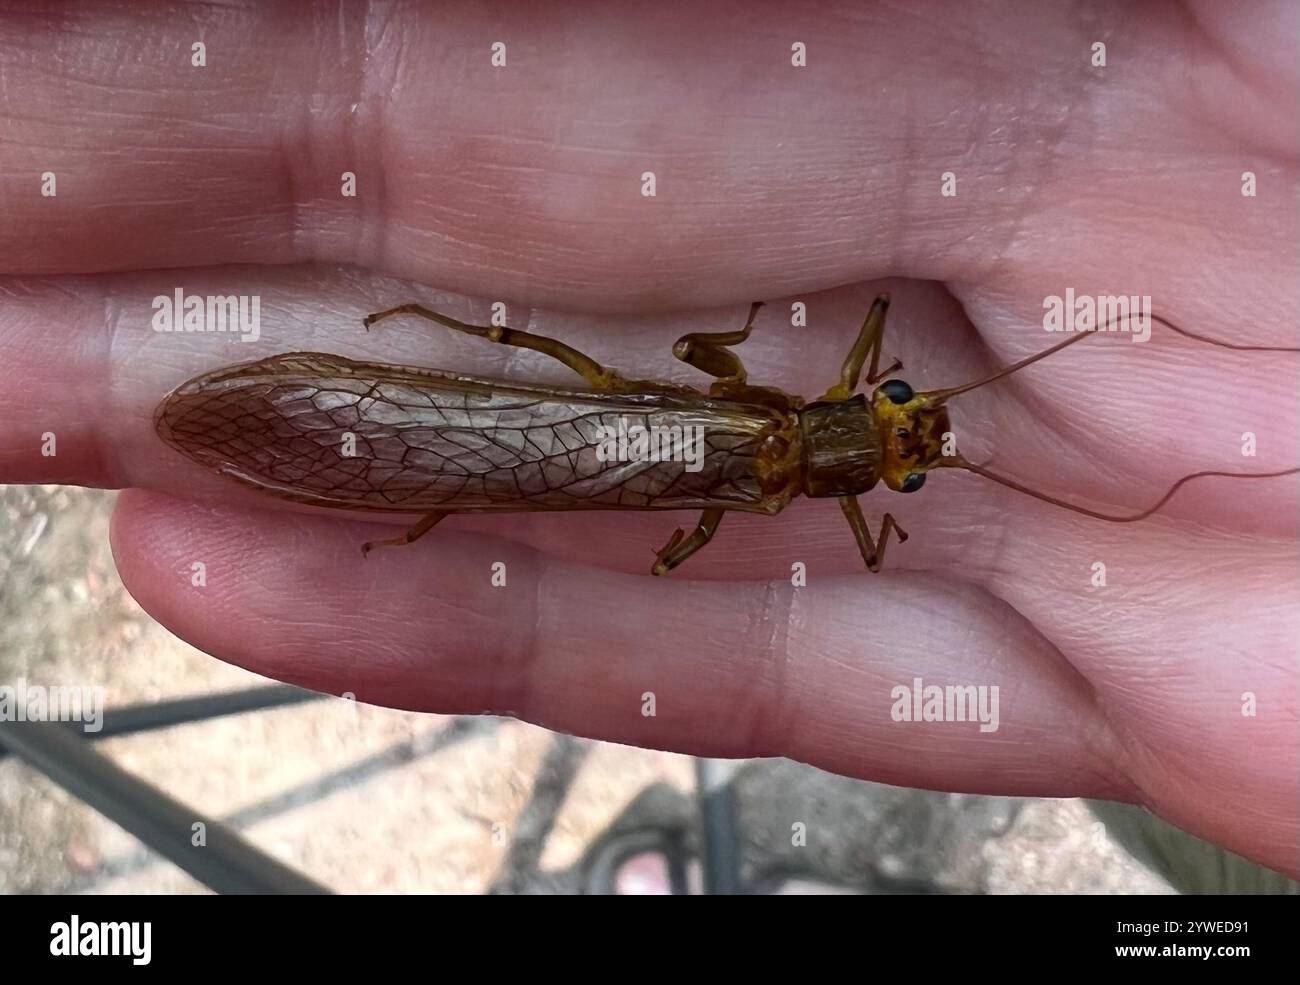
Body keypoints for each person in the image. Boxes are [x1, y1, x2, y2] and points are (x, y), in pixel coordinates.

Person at [2, 1, 1295, 881]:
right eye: (907, 428)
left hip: (630, 423)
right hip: (615, 455)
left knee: (521, 420)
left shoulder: (781, 420)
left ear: (868, 424)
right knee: (503, 454)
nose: (906, 427)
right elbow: (741, 514)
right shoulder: (810, 498)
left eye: (901, 436)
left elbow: (703, 362)